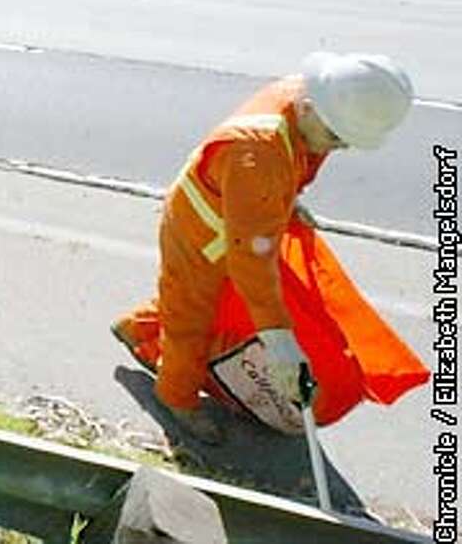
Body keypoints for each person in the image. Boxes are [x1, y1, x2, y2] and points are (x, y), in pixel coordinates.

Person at [111, 52, 414, 444]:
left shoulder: (305, 104)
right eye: (335, 137)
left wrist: (286, 203)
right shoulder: (257, 153)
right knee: (193, 318)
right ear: (310, 106)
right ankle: (176, 397)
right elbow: (252, 262)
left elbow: (290, 168)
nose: (339, 149)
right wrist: (279, 341)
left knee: (199, 298)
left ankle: (137, 326)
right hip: (202, 236)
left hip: (231, 217)